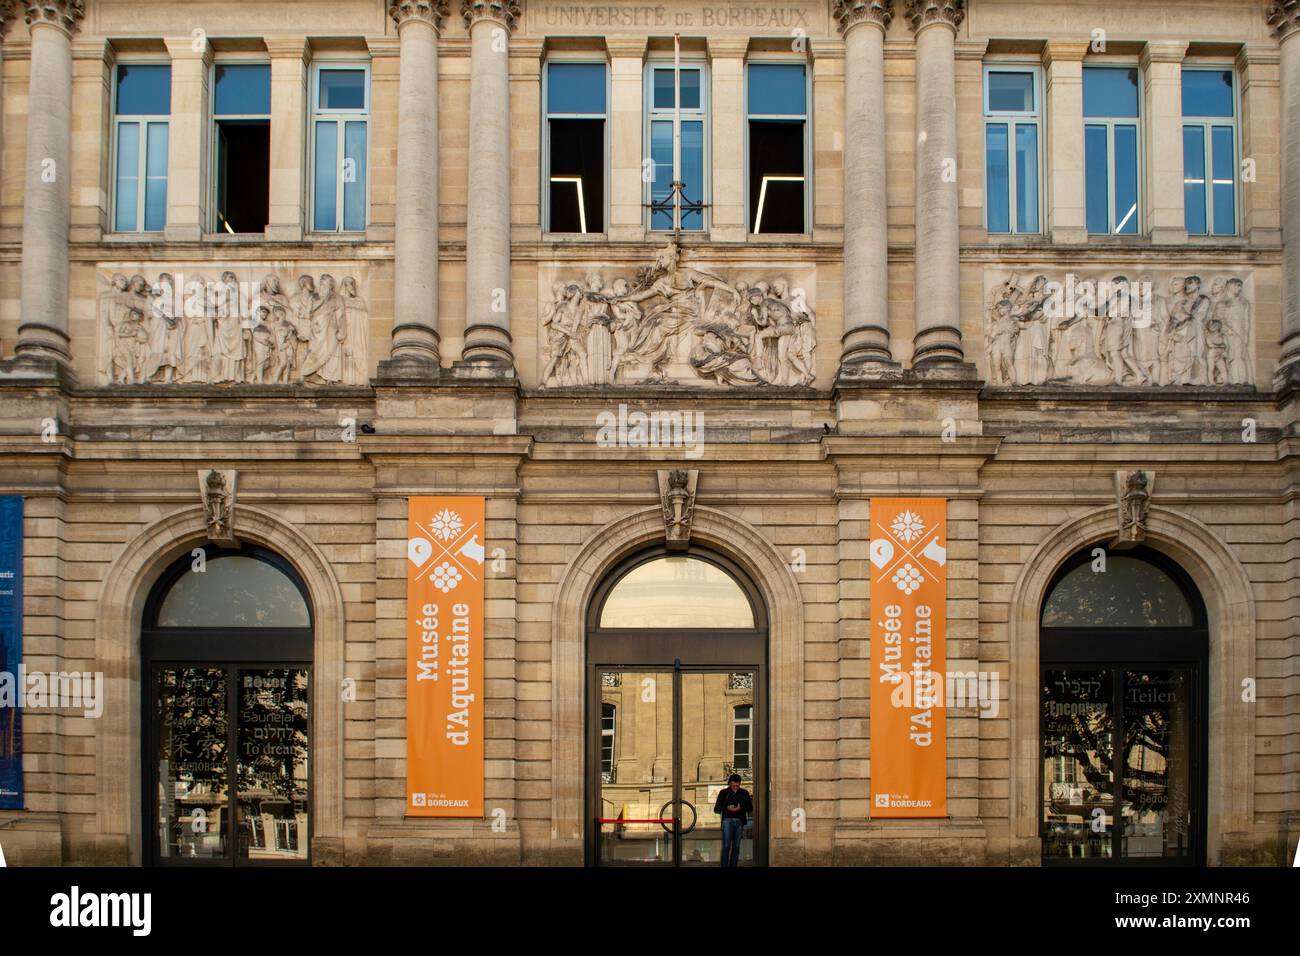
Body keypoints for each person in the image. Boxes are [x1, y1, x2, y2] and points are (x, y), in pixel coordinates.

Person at [713, 773, 752, 867]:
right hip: (727, 822)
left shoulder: (744, 793)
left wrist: (741, 808)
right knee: (726, 846)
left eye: (737, 786)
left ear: (740, 784)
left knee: (736, 847)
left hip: (739, 822)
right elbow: (716, 808)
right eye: (733, 785)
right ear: (730, 783)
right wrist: (727, 808)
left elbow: (750, 808)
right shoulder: (724, 792)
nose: (735, 787)